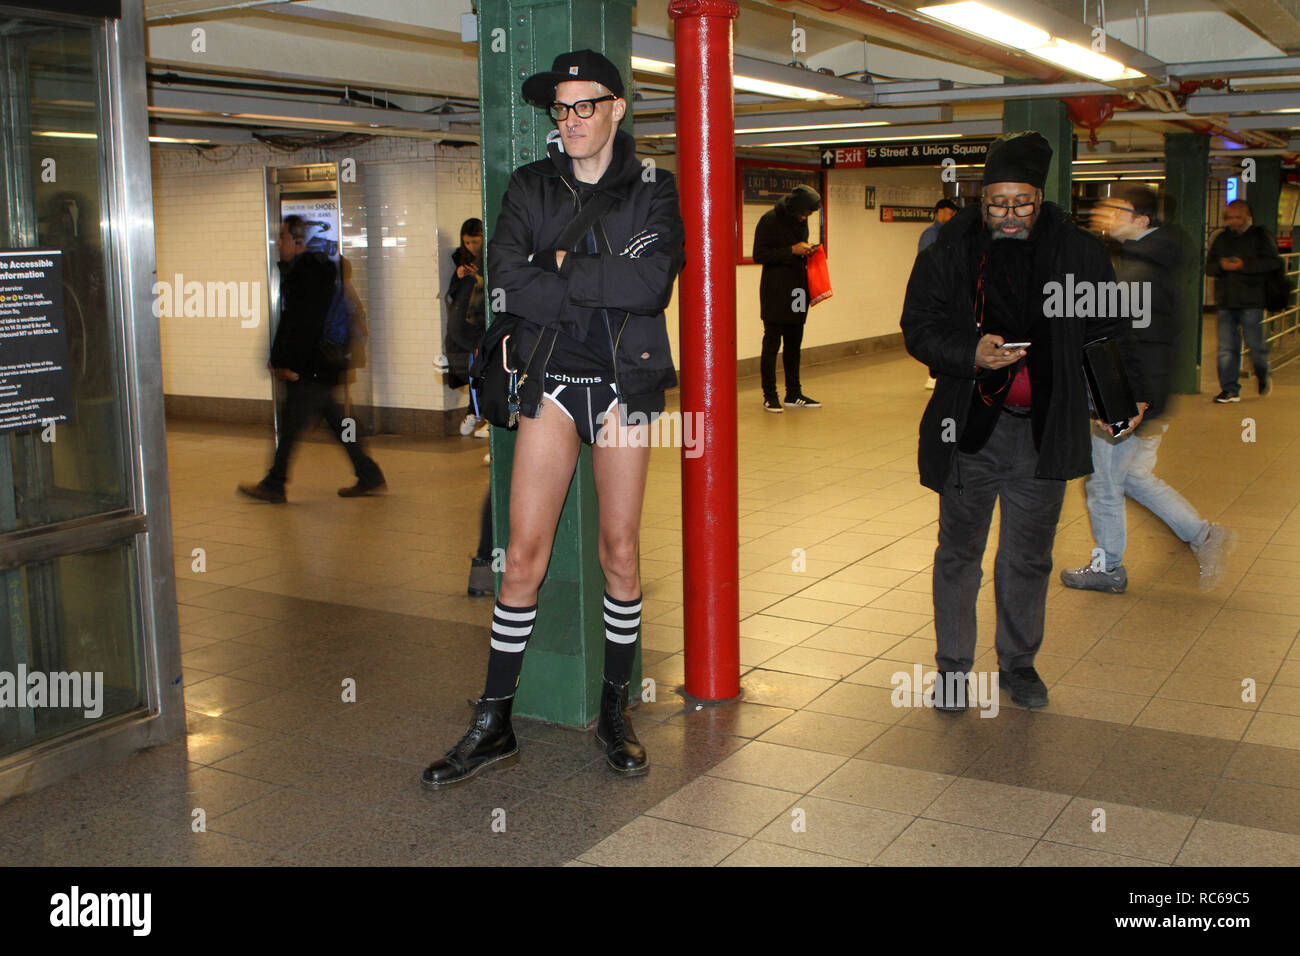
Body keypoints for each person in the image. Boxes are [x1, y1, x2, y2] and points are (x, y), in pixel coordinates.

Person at [422, 49, 684, 788]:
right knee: (522, 558)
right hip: (554, 382)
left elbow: (652, 284)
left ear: (617, 109)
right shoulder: (531, 186)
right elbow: (508, 281)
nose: (570, 120)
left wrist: (562, 267)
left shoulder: (654, 188)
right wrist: (593, 284)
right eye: (561, 109)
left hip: (623, 385)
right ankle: (494, 721)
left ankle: (614, 710)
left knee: (620, 553)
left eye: (584, 105)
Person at [900, 131, 1146, 711]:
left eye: (1022, 204)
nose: (1009, 217)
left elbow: (1107, 328)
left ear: (1041, 197)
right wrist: (970, 353)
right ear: (981, 199)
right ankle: (953, 671)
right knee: (959, 554)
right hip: (970, 431)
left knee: (1028, 557)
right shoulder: (949, 251)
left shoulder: (1077, 252)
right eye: (997, 205)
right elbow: (919, 328)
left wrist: (1125, 395)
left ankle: (1019, 664)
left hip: (1044, 432)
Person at [1062, 186, 1236, 594]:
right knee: (1133, 477)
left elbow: (1140, 346)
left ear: (1141, 221)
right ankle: (1204, 535)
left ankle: (1108, 567)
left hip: (1127, 400)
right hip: (1145, 397)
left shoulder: (1141, 272)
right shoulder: (1146, 261)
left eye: (1116, 209)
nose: (1104, 213)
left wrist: (1128, 402)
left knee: (1103, 483)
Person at [238, 215, 386, 503]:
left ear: (298, 242)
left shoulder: (307, 275)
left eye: (282, 237)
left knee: (292, 426)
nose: (278, 243)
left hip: (312, 366)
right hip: (323, 364)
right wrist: (279, 358)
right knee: (337, 422)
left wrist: (289, 364)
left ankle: (275, 484)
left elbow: (303, 325)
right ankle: (368, 473)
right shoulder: (311, 272)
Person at [753, 184, 823, 412]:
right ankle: (770, 395)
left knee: (795, 342)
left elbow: (797, 248)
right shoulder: (769, 220)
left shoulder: (800, 221)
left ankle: (794, 393)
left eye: (809, 215)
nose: (805, 217)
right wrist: (791, 251)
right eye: (804, 213)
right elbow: (759, 254)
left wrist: (807, 250)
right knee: (772, 342)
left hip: (798, 289)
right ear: (796, 207)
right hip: (775, 289)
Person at [1205, 198, 1282, 402]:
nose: (1233, 221)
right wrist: (1221, 266)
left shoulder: (1260, 236)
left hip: (1252, 300)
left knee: (1255, 345)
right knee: (1226, 348)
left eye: (1238, 217)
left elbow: (1273, 263)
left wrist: (1243, 265)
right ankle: (1229, 389)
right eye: (1230, 217)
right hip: (1226, 301)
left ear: (1247, 216)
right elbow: (1209, 267)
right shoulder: (1221, 239)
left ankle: (1263, 373)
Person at [445, 217, 490, 439]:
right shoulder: (462, 261)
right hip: (466, 326)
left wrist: (478, 278)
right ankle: (475, 412)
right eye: (467, 243)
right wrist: (459, 276)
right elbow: (452, 294)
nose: (471, 247)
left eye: (475, 242)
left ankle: (483, 415)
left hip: (482, 324)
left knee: (484, 370)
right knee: (474, 370)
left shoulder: (490, 259)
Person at [919, 199, 959, 389]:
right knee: (934, 331)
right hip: (933, 291)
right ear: (940, 212)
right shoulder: (931, 235)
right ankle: (933, 373)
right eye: (949, 214)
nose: (951, 218)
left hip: (946, 291)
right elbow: (926, 266)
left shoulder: (949, 235)